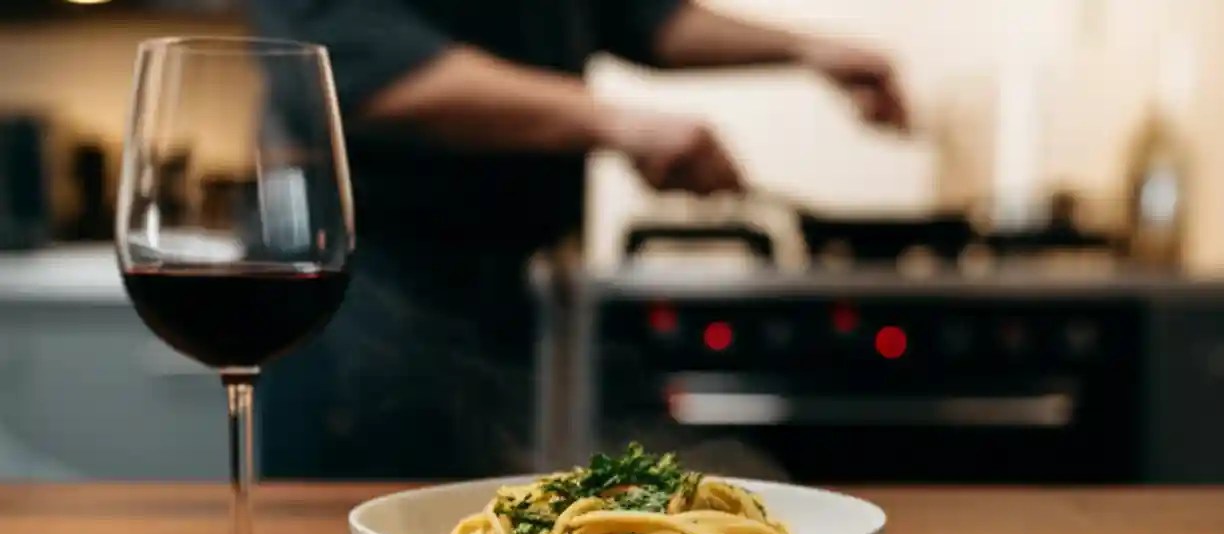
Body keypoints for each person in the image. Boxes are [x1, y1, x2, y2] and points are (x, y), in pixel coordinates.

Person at [250, 0, 908, 479]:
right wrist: (617, 122)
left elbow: (641, 15)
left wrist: (808, 51)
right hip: (362, 295)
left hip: (527, 290)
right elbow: (357, 68)